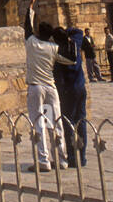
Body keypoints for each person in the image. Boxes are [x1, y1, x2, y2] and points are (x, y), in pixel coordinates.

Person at [25, 21, 75, 171]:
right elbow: (72, 59)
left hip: (35, 89)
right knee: (55, 124)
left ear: (38, 32)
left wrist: (31, 7)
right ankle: (61, 160)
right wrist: (70, 42)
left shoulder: (31, 42)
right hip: (50, 89)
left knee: (38, 124)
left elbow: (27, 26)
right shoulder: (54, 48)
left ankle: (43, 161)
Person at [53, 25, 89, 167]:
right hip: (80, 88)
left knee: (68, 124)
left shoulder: (57, 53)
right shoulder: (74, 44)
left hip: (67, 92)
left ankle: (73, 157)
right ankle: (83, 156)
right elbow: (78, 31)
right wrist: (65, 33)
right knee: (81, 121)